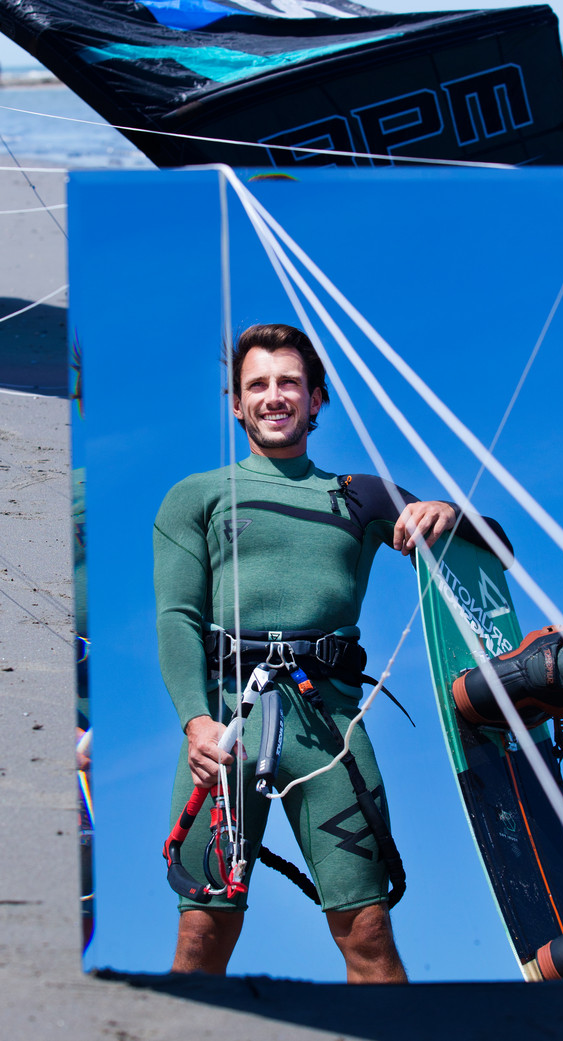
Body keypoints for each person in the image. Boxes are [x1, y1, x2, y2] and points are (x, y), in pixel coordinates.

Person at [154, 323, 496, 982]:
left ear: (316, 399)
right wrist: (195, 721)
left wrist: (446, 514)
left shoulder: (359, 495)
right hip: (227, 722)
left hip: (330, 725)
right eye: (258, 384)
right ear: (236, 402)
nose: (274, 396)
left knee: (367, 928)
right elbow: (177, 617)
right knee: (201, 930)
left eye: (289, 383)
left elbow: (497, 550)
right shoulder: (194, 497)